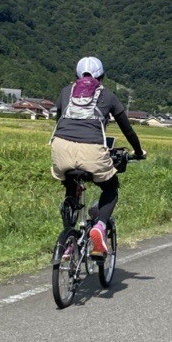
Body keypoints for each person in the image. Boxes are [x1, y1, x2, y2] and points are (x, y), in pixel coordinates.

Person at [50, 56, 146, 256]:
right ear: (101, 77)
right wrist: (138, 152)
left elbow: (59, 122)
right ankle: (99, 227)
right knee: (111, 188)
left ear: (76, 76)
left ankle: (68, 240)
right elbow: (128, 131)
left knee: (70, 184)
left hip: (60, 148)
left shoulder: (65, 92)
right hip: (92, 150)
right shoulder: (108, 96)